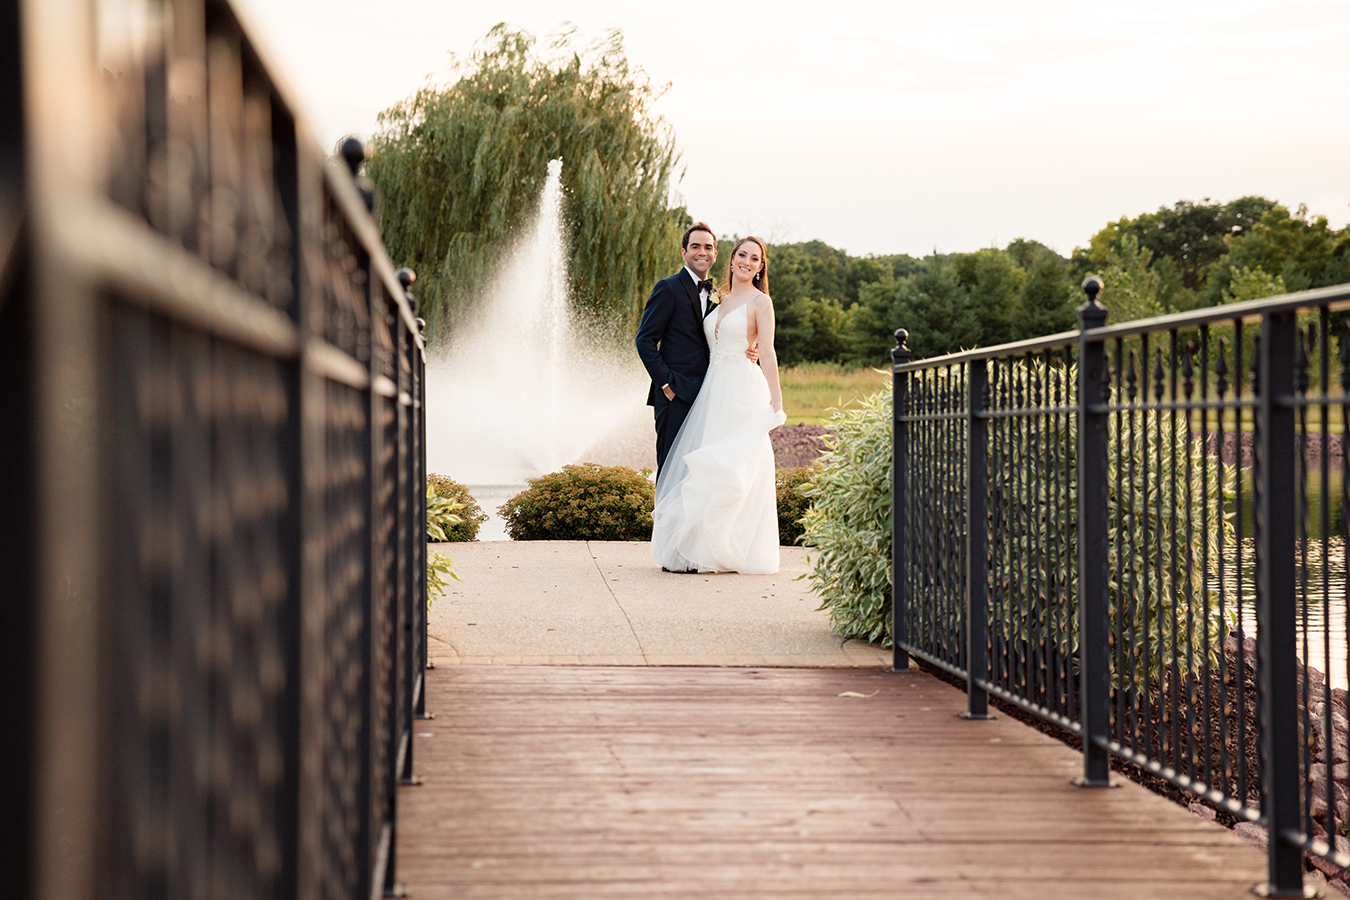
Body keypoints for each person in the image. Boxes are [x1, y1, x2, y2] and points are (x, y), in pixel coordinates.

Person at [649, 236, 786, 574]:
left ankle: (726, 548)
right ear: (732, 258)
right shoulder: (718, 299)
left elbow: (768, 352)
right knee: (703, 469)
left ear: (760, 267)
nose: (747, 262)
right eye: (742, 255)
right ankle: (695, 550)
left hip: (741, 389)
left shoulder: (761, 302)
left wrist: (777, 401)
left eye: (754, 259)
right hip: (712, 390)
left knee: (732, 470)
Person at [635, 222, 757, 473]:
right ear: (684, 252)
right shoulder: (668, 288)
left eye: (708, 247)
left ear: (715, 254)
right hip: (675, 395)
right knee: (671, 469)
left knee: (699, 471)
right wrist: (666, 385)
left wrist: (750, 350)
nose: (702, 252)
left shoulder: (717, 295)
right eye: (695, 247)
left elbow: (724, 336)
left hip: (710, 395)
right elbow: (644, 340)